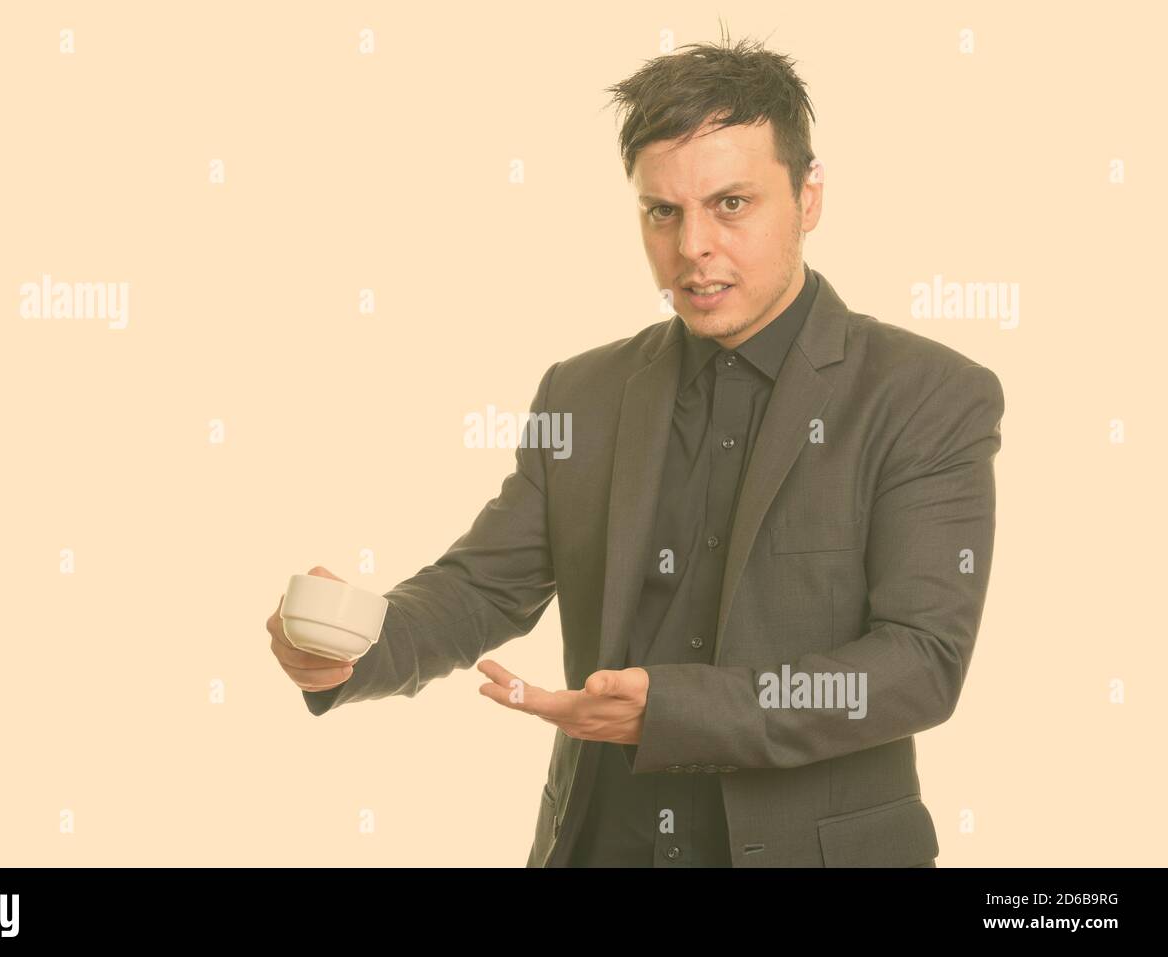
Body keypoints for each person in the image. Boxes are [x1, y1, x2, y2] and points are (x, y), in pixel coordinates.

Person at [268, 36, 1003, 868]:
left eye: (731, 204)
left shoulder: (928, 395)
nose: (692, 246)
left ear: (809, 196)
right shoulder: (580, 392)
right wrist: (357, 646)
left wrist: (676, 710)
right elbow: (483, 585)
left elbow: (918, 663)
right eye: (663, 211)